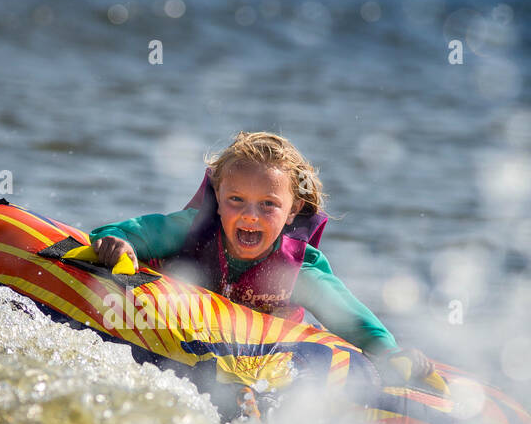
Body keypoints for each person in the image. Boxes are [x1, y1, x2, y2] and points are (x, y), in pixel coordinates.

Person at [88, 131, 434, 383]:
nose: (251, 215)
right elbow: (131, 231)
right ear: (218, 198)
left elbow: (352, 319)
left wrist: (389, 353)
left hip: (259, 352)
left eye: (268, 204)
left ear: (293, 211)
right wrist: (119, 245)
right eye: (236, 199)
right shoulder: (190, 229)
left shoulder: (297, 269)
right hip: (172, 326)